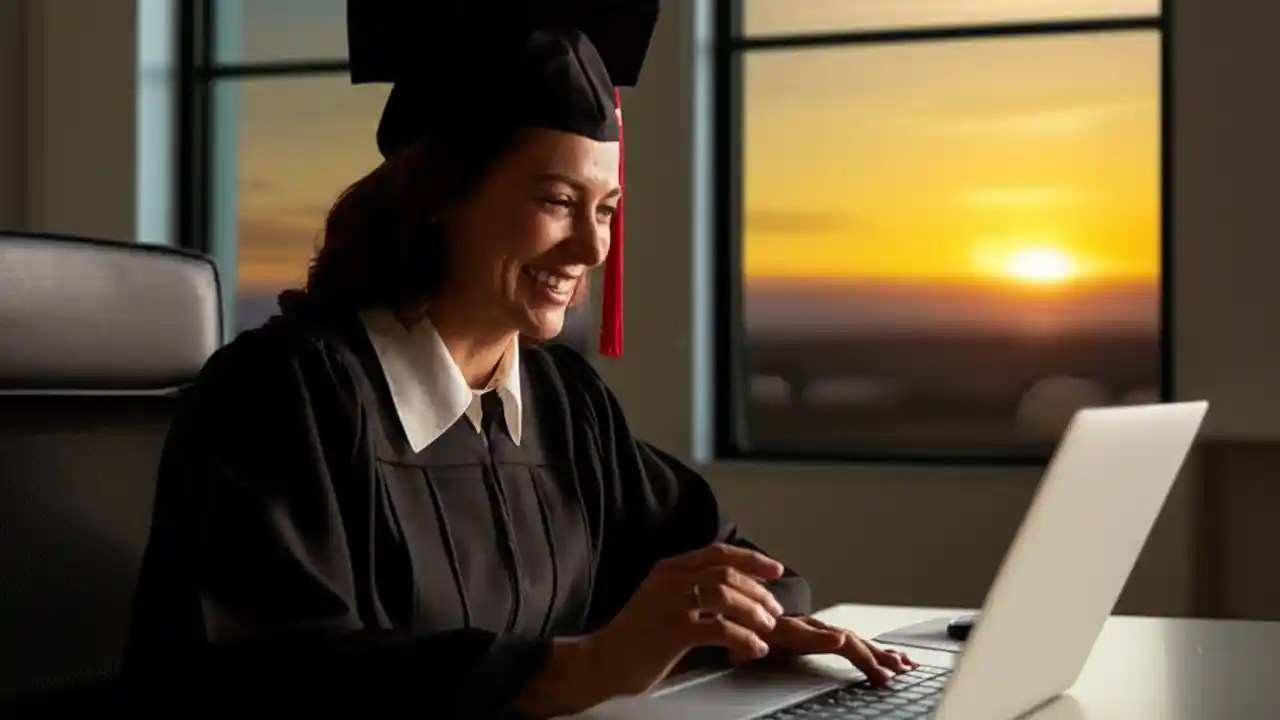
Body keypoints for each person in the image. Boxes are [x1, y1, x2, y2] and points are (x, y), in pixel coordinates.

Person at [123, 2, 913, 716]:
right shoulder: (281, 394)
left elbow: (729, 561)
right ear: (438, 193)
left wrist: (754, 620)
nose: (592, 247)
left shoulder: (564, 403)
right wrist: (582, 668)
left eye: (606, 209)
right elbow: (272, 676)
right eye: (556, 201)